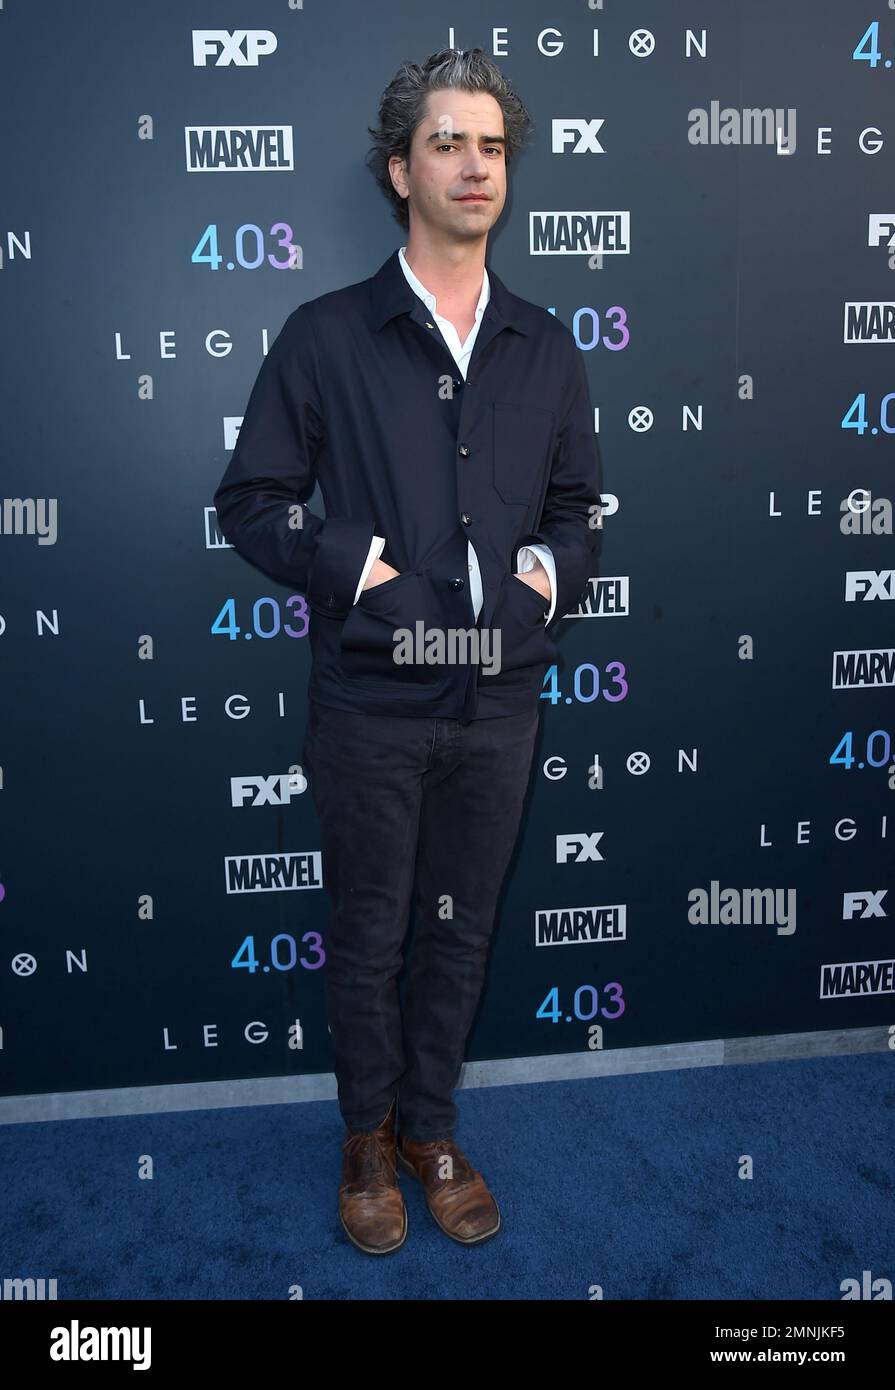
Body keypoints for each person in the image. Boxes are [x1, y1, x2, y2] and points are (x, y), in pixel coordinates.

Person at [213, 47, 604, 1255]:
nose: (472, 164)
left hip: (500, 701)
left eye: (489, 146)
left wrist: (543, 579)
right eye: (447, 141)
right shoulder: (327, 333)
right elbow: (253, 500)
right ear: (400, 170)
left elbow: (579, 504)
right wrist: (364, 574)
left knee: (463, 929)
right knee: (371, 930)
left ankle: (432, 1129)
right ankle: (364, 1138)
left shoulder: (544, 343)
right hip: (371, 704)